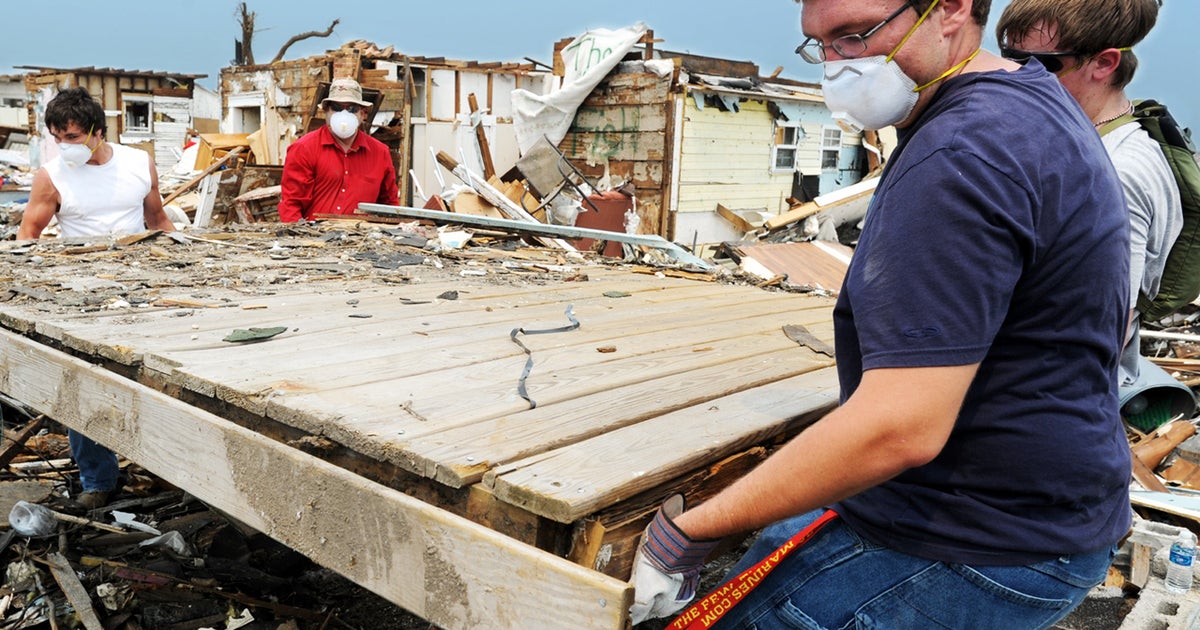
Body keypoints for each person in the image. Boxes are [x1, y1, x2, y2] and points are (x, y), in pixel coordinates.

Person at [630, 1, 1132, 628]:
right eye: (820, 45)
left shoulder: (961, 153)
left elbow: (900, 428)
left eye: (855, 35)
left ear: (950, 9)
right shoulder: (1025, 98)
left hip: (981, 539)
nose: (839, 67)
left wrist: (688, 534)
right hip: (1049, 509)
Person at [997, 0, 1180, 396]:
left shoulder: (1120, 170)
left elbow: (1103, 326)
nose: (1017, 76)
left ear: (1104, 63)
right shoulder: (1082, 139)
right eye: (1012, 58)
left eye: (1042, 64)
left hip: (1053, 397)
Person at [18, 86, 178, 509]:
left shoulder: (138, 163)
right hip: (82, 293)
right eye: (58, 137)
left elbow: (158, 219)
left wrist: (188, 268)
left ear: (97, 131)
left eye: (72, 137)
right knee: (83, 386)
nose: (64, 147)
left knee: (159, 378)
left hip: (143, 285)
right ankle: (98, 479)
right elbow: (28, 237)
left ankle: (171, 464)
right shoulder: (51, 176)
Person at [278, 77, 398, 222]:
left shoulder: (380, 153)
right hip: (316, 240)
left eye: (352, 109)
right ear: (326, 111)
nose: (344, 115)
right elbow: (291, 205)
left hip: (363, 240)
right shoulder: (304, 149)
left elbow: (390, 206)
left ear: (363, 114)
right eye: (337, 108)